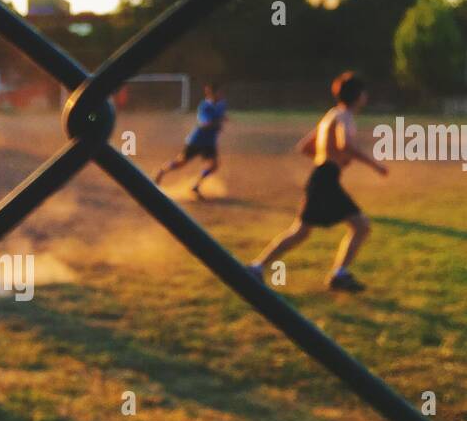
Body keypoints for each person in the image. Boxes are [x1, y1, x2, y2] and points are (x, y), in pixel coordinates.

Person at [248, 71, 387, 294]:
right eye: (364, 93)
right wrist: (374, 165)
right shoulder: (345, 117)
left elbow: (305, 147)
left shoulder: (331, 115)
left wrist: (329, 159)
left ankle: (256, 268)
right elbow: (345, 145)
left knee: (302, 231)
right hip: (325, 180)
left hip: (322, 177)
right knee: (361, 226)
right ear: (358, 95)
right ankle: (338, 275)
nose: (366, 97)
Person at [154, 82, 227, 198]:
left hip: (209, 142)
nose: (222, 94)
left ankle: (195, 186)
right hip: (197, 140)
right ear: (212, 93)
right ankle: (161, 172)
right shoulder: (204, 106)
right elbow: (204, 124)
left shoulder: (222, 104)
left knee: (213, 165)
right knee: (181, 162)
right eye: (219, 92)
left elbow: (221, 116)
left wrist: (223, 119)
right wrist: (216, 122)